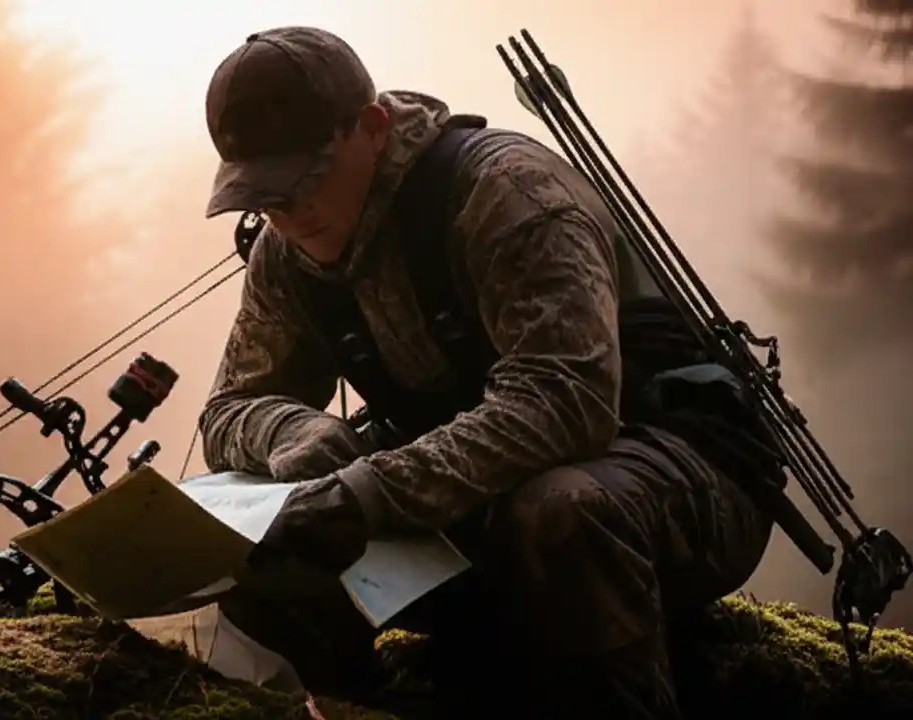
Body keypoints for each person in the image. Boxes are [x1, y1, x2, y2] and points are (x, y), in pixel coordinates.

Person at [195, 25, 779, 718]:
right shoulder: (286, 252)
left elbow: (566, 402)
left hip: (675, 470)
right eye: (262, 193)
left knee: (560, 514)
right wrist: (291, 433)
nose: (285, 212)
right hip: (475, 499)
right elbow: (230, 407)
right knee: (269, 544)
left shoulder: (507, 192)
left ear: (373, 128)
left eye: (304, 179)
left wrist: (368, 492)